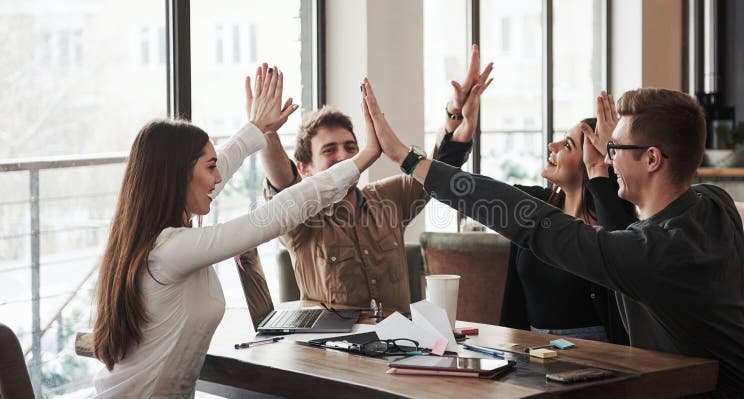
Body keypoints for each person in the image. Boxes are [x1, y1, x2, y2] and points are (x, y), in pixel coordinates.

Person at [363, 80, 744, 398]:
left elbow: (534, 224)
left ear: (652, 159)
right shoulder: (716, 203)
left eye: (614, 148)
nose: (606, 159)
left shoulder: (654, 253)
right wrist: (620, 148)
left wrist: (408, 157)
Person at [92, 63, 382, 398]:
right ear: (177, 177)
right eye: (210, 168)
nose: (218, 180)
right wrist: (362, 159)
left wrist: (255, 128)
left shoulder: (152, 236)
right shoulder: (169, 249)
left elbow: (221, 164)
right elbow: (275, 215)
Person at [251, 45, 492, 312]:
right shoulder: (302, 216)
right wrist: (267, 133)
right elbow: (281, 181)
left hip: (399, 347)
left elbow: (438, 167)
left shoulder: (388, 197)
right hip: (332, 351)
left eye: (351, 147)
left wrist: (455, 111)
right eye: (329, 150)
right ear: (305, 168)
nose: (345, 156)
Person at [497, 116, 631, 344]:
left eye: (567, 145)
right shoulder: (532, 205)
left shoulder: (614, 226)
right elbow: (465, 191)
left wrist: (603, 164)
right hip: (530, 349)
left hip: (597, 354)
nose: (552, 146)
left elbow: (625, 262)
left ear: (590, 162)